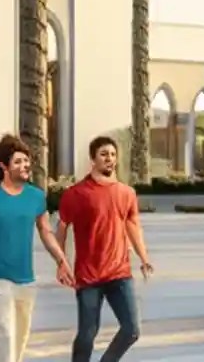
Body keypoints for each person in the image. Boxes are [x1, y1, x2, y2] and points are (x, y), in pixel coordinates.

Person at [0, 134, 75, 362]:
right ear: (4, 166)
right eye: (18, 161)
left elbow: (46, 232)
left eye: (26, 161)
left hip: (26, 279)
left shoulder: (35, 197)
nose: (25, 165)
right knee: (6, 334)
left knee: (18, 339)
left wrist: (62, 260)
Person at [57, 136, 153, 362]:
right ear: (93, 159)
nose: (109, 158)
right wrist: (61, 262)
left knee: (132, 329)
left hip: (119, 272)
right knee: (87, 334)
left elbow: (132, 225)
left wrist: (144, 257)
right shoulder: (76, 193)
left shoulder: (126, 193)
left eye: (112, 154)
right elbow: (61, 227)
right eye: (103, 154)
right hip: (88, 275)